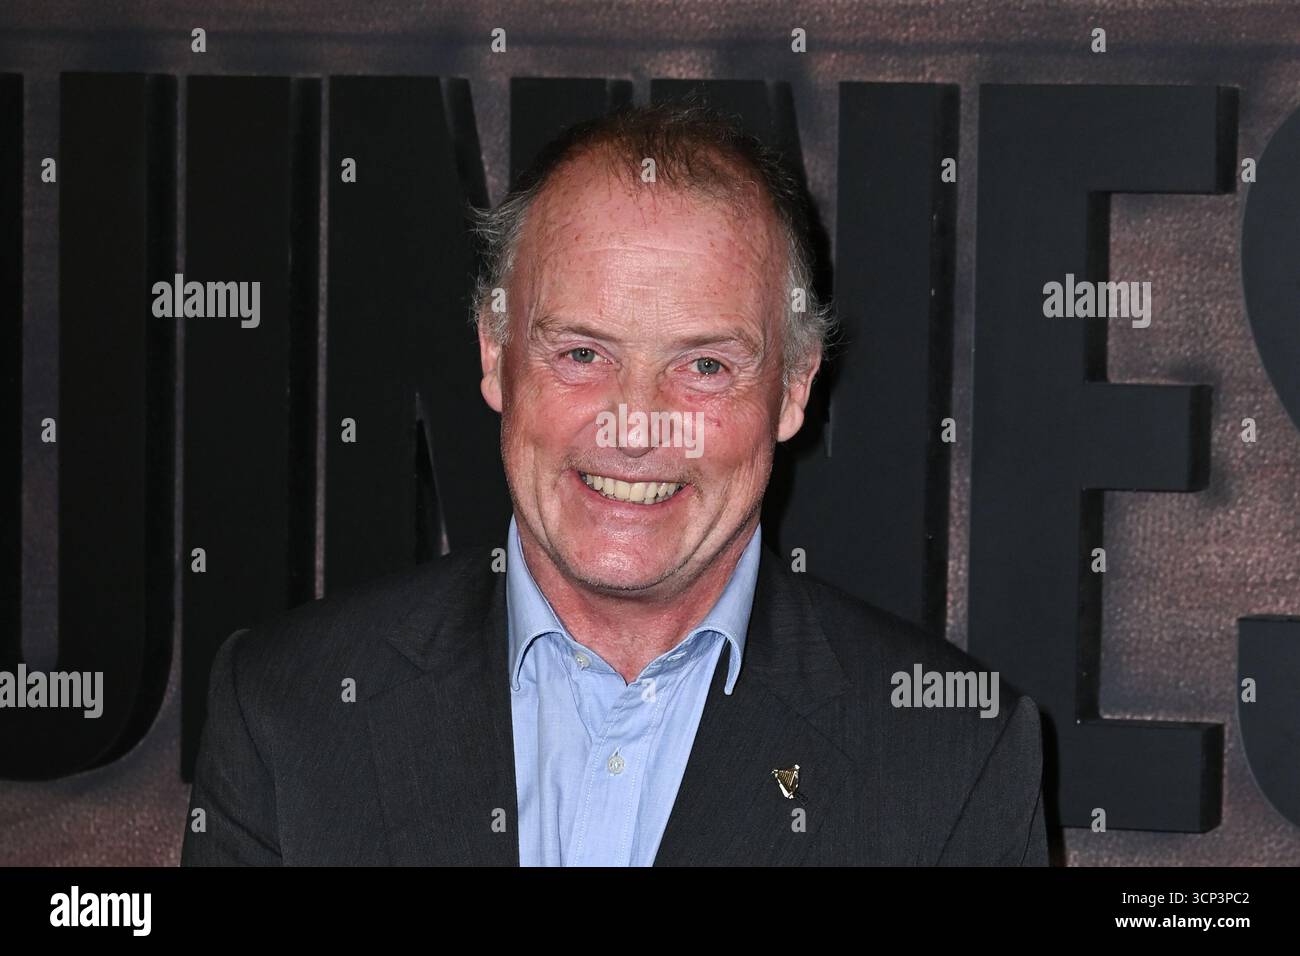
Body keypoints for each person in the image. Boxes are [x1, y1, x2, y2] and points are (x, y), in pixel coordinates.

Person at [182, 102, 1048, 866]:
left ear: (792, 387)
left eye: (704, 365)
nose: (635, 426)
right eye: (583, 354)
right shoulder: (284, 712)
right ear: (495, 354)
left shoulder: (951, 757)